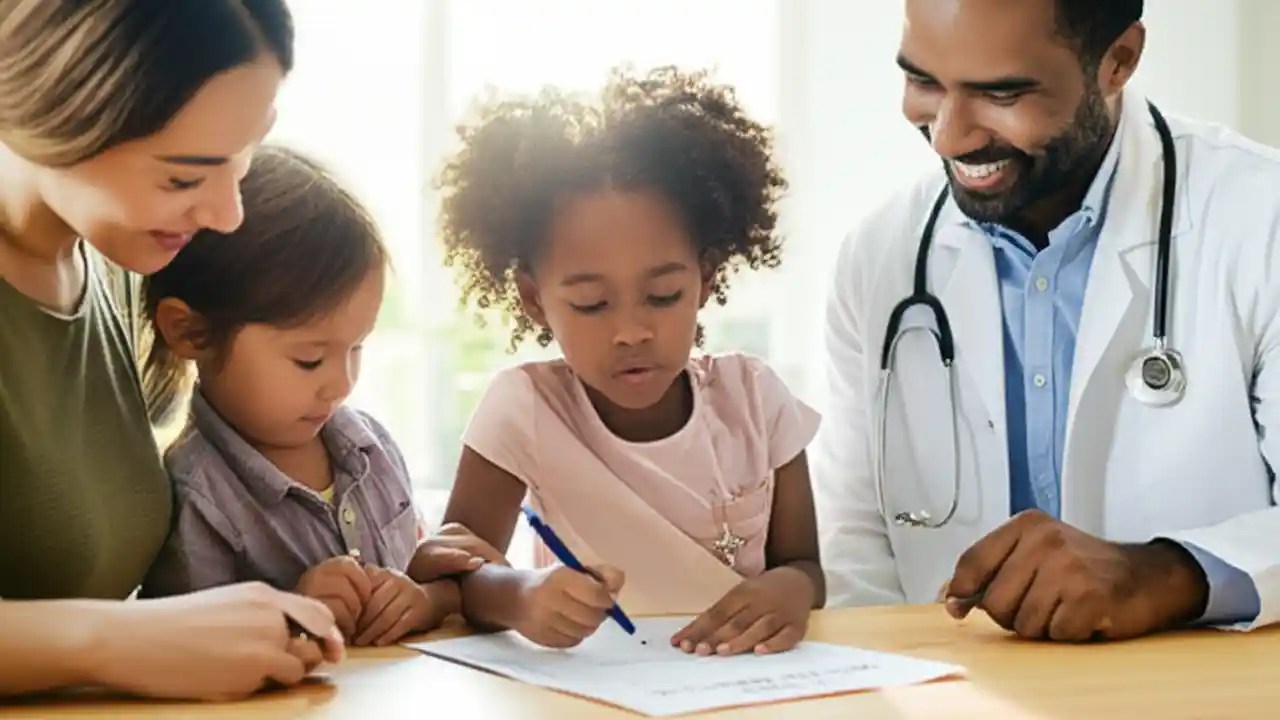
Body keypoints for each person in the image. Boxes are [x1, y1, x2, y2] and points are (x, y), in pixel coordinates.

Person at [814, 0, 1280, 641]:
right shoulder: (879, 254)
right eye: (923, 81)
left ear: (1119, 60)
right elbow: (854, 544)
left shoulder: (1260, 218)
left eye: (1001, 93)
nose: (948, 137)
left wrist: (1164, 576)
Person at [436, 66, 826, 656]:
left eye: (663, 296)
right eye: (592, 304)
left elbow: (804, 567)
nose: (631, 332)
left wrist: (791, 588)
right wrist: (520, 595)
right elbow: (454, 574)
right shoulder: (526, 408)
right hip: (602, 687)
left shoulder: (755, 398)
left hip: (746, 680)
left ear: (705, 278)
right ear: (535, 300)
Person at [137, 146, 470, 649]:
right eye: (310, 360)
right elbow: (187, 651)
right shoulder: (196, 499)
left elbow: (423, 577)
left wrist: (426, 599)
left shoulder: (372, 448)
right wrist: (292, 613)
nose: (342, 384)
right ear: (191, 332)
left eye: (357, 348)